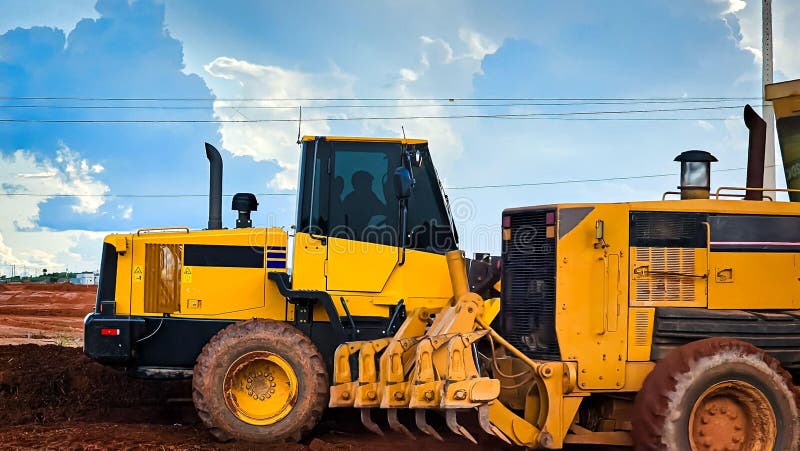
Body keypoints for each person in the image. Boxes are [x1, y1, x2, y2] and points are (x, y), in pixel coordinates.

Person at [342, 170, 385, 240]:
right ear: (361, 184)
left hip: (362, 232)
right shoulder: (351, 199)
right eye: (369, 183)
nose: (370, 186)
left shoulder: (370, 196)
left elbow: (382, 210)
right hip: (352, 236)